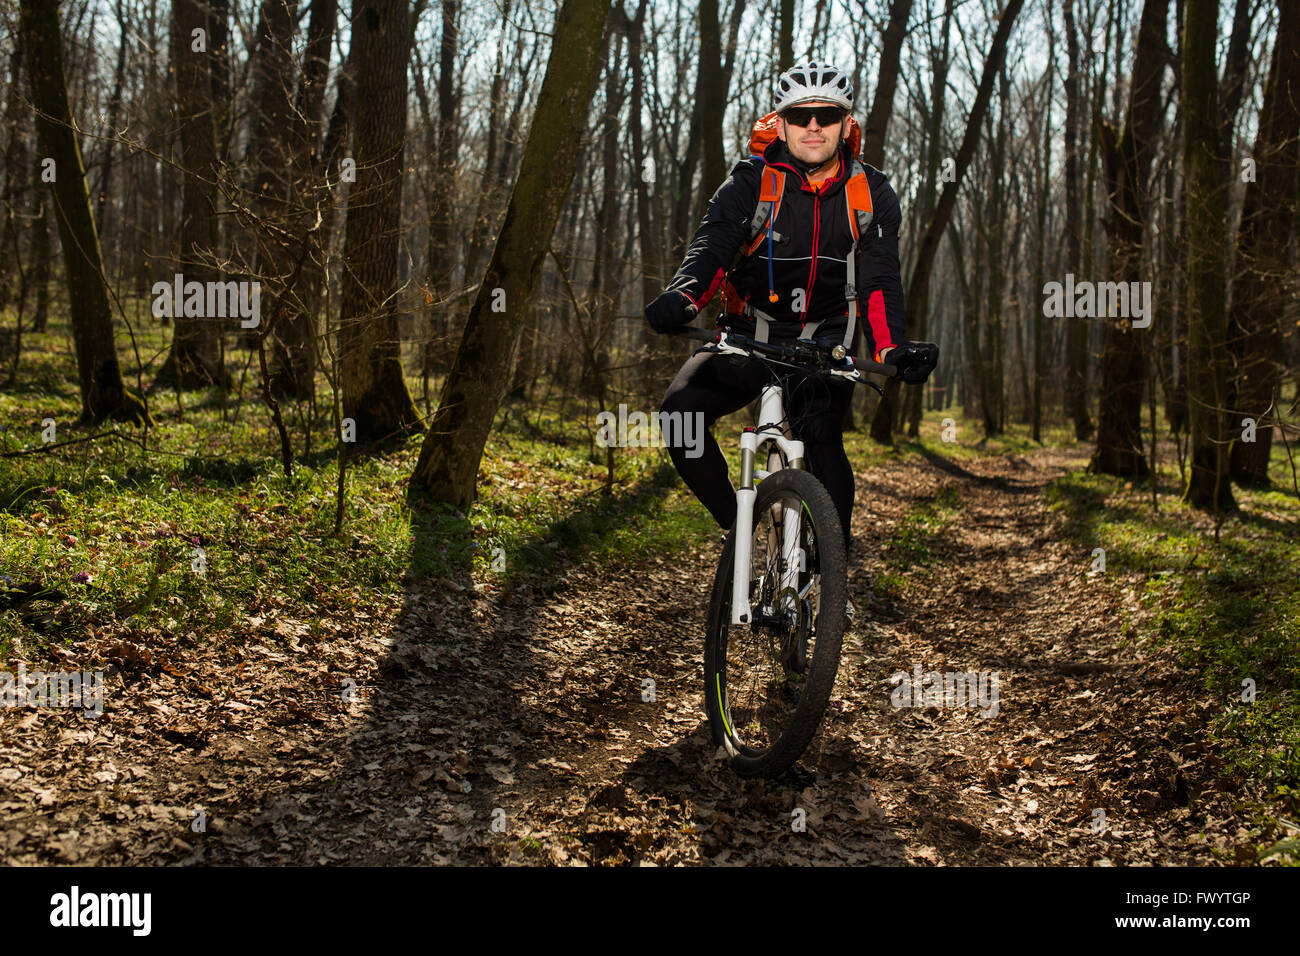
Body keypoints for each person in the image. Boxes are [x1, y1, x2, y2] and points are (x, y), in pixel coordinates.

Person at [645, 60, 937, 552]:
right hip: (746, 338)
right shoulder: (750, 182)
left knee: (823, 444)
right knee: (680, 415)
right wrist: (684, 297)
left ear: (847, 123)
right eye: (801, 116)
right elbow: (713, 246)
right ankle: (741, 528)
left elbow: (880, 280)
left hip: (826, 347)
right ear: (779, 123)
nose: (814, 126)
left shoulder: (872, 192)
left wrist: (890, 351)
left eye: (827, 114)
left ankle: (828, 583)